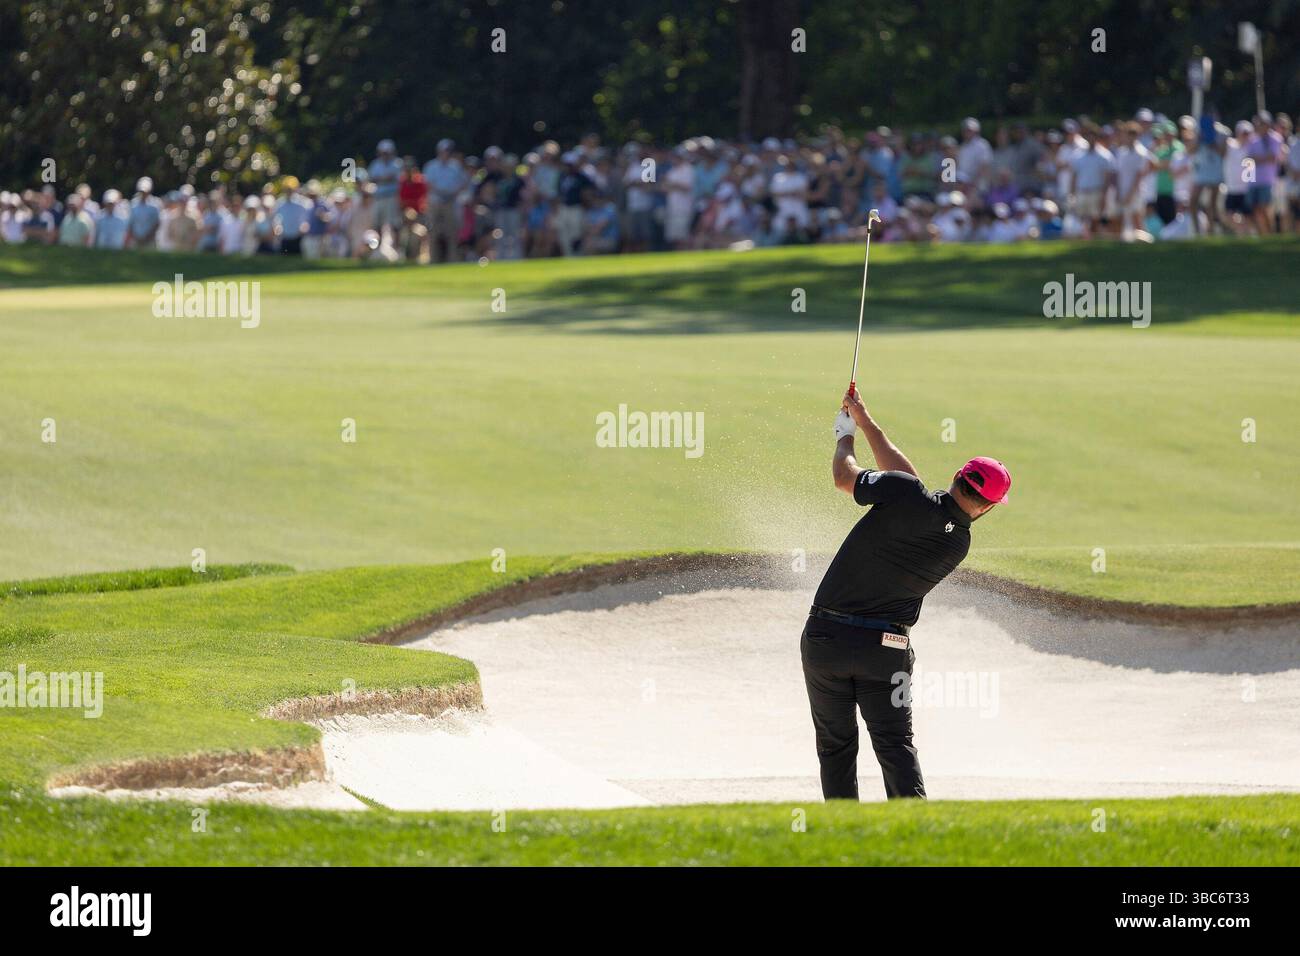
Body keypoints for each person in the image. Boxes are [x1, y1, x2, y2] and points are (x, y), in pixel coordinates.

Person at [803, 387, 1011, 800]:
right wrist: (865, 421)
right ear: (987, 508)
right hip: (887, 649)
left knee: (836, 746)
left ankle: (842, 840)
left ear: (955, 475)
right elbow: (908, 486)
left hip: (825, 639)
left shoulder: (904, 494)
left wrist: (845, 434)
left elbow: (846, 477)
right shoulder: (958, 543)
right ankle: (913, 835)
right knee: (895, 745)